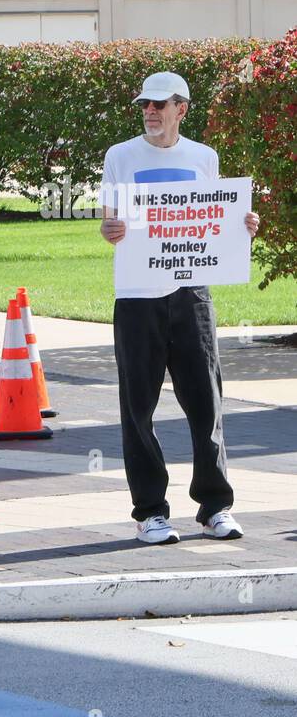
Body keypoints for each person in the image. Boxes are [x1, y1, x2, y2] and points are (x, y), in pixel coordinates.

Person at [99, 71, 261, 545]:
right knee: (138, 406)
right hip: (137, 297)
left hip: (191, 296)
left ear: (181, 109)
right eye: (144, 105)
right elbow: (110, 220)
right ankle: (150, 511)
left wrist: (242, 225)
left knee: (205, 401)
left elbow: (213, 217)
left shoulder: (203, 157)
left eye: (159, 104)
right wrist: (109, 230)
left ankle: (214, 507)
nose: (150, 112)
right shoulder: (121, 156)